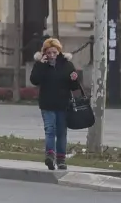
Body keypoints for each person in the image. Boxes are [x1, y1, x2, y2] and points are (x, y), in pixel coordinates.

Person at [30, 37, 82, 171]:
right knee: (50, 130)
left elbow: (74, 86)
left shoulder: (67, 65)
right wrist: (41, 64)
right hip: (47, 104)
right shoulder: (40, 64)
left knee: (61, 133)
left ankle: (61, 159)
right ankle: (50, 156)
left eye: (54, 52)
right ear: (44, 53)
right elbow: (34, 80)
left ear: (59, 51)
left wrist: (74, 79)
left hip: (63, 104)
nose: (52, 55)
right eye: (49, 53)